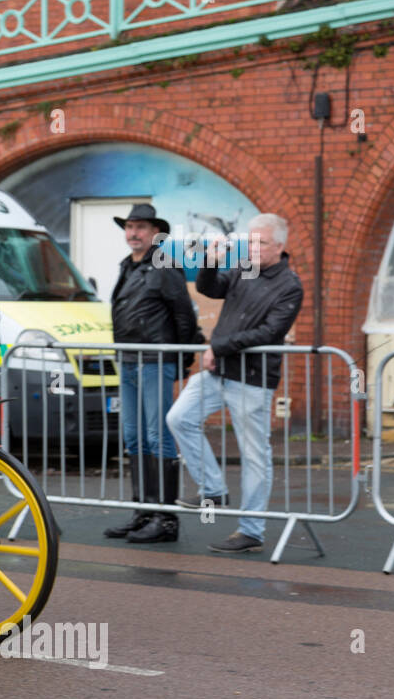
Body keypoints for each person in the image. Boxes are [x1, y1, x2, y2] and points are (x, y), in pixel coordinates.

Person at [166, 213, 304, 555]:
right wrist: (210, 263)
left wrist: (218, 346)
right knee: (179, 418)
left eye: (261, 243)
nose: (254, 248)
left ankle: (251, 530)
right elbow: (209, 288)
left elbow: (269, 332)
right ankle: (213, 490)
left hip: (253, 378)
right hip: (219, 370)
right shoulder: (245, 267)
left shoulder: (290, 285)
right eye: (251, 240)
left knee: (255, 454)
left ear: (280, 247)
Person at [102, 204, 201, 544]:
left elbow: (184, 316)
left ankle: (165, 518)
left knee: (158, 436)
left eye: (140, 227)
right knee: (133, 437)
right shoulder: (128, 266)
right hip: (129, 360)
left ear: (155, 232)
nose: (133, 233)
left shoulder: (164, 264)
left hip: (156, 360)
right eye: (129, 227)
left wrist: (181, 359)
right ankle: (143, 511)